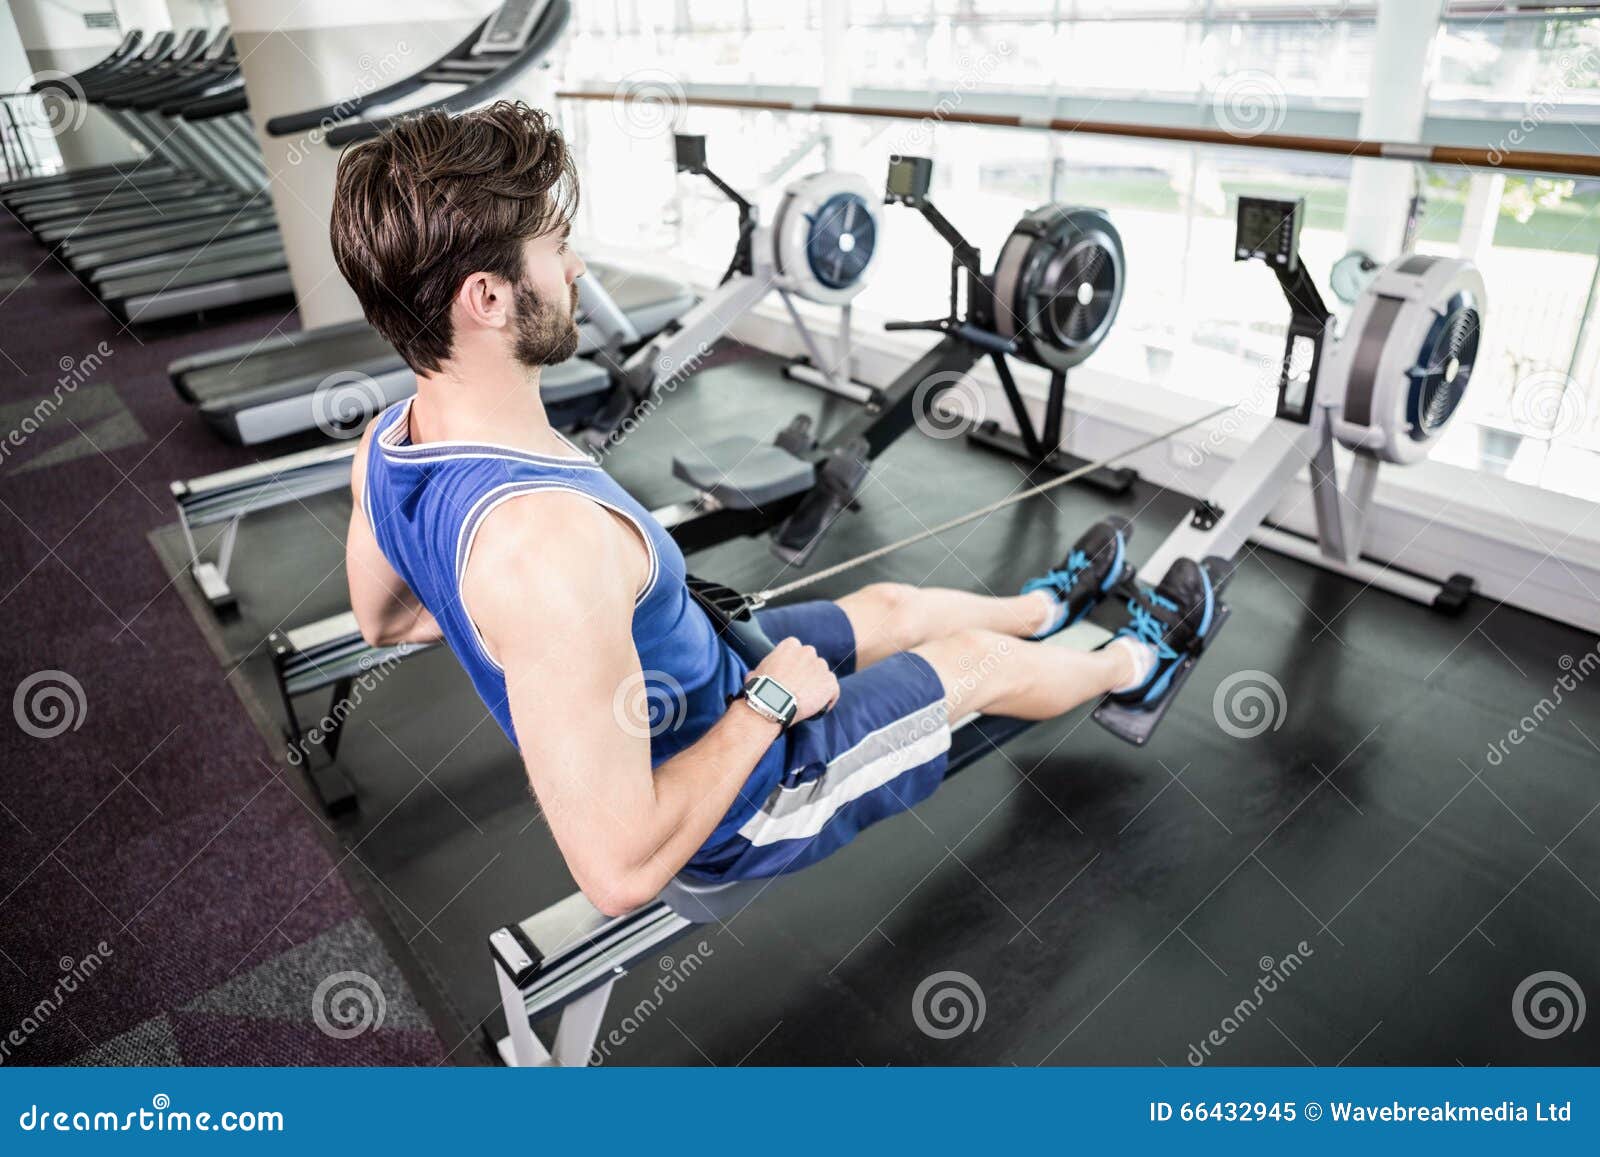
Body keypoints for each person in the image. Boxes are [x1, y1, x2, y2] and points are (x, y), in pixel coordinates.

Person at [330, 102, 1214, 917]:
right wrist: (767, 704)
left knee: (894, 606)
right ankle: (1141, 660)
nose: (577, 266)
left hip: (711, 671)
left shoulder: (389, 441)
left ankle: (1047, 604)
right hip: (746, 799)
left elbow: (384, 618)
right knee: (979, 666)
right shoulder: (541, 546)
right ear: (486, 298)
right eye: (555, 249)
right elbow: (619, 870)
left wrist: (521, 636)